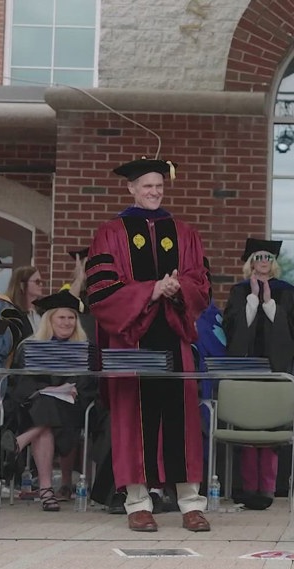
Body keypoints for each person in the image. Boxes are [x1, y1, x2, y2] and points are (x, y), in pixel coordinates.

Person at [85, 158, 213, 533]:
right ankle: (138, 503)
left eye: (159, 185)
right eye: (147, 186)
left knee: (183, 423)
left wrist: (178, 289)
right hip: (131, 340)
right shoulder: (110, 233)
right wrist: (152, 289)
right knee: (133, 421)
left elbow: (201, 283)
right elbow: (101, 291)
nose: (154, 191)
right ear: (131, 188)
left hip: (174, 339)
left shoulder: (184, 232)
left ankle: (191, 503)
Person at [222, 238, 294, 510]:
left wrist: (271, 306)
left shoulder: (288, 292)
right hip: (246, 370)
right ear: (250, 263)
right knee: (247, 426)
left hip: (275, 370)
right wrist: (251, 302)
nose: (263, 261)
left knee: (271, 429)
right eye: (258, 256)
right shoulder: (238, 292)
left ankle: (269, 488)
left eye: (268, 257)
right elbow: (232, 331)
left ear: (274, 263)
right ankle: (248, 488)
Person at [4, 290, 99, 512]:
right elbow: (20, 385)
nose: (67, 322)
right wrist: (48, 389)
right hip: (36, 406)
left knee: (47, 408)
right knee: (44, 410)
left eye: (71, 317)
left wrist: (69, 390)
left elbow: (89, 386)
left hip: (74, 409)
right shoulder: (30, 347)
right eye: (61, 317)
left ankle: (19, 443)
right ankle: (47, 491)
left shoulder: (85, 349)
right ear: (50, 320)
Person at [5, 266, 46, 331]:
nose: (41, 284)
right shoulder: (12, 314)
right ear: (22, 285)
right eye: (37, 281)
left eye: (41, 281)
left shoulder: (42, 311)